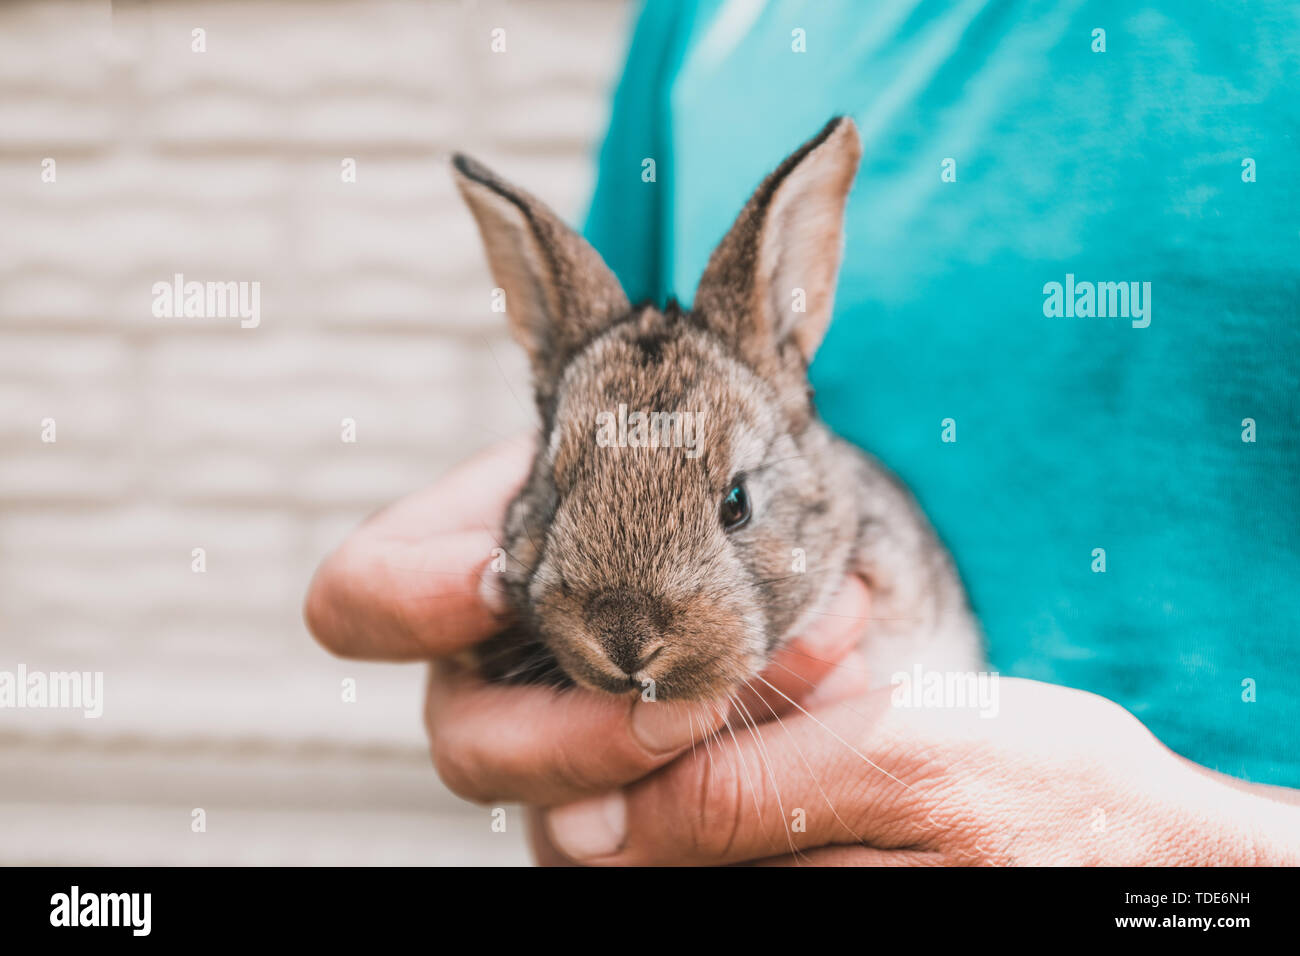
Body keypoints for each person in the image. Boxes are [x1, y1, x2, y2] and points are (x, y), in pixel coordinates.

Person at [306, 0, 1300, 864]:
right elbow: (642, 375)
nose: (632, 633)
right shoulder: (701, 15)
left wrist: (1195, 874)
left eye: (730, 503)